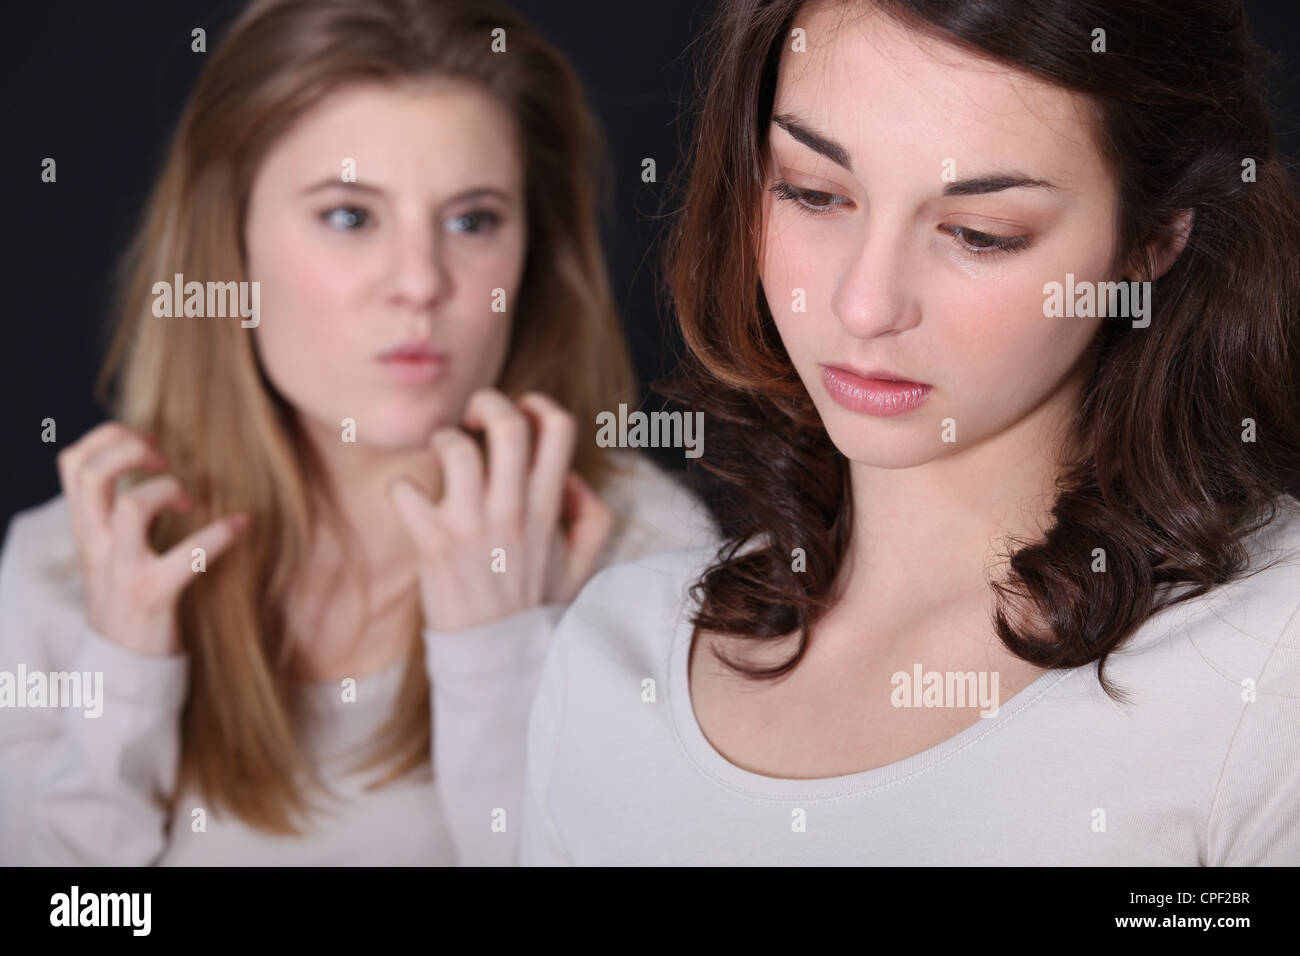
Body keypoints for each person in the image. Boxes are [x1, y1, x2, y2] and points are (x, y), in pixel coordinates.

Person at [519, 0, 1300, 865]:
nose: (864, 303)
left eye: (979, 233)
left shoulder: (1267, 677)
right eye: (814, 192)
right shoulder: (612, 653)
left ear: (1151, 240)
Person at [0, 0, 718, 866]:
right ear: (229, 245)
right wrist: (122, 685)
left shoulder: (644, 550)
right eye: (349, 216)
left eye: (472, 220)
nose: (419, 283)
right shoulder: (68, 564)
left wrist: (500, 659)